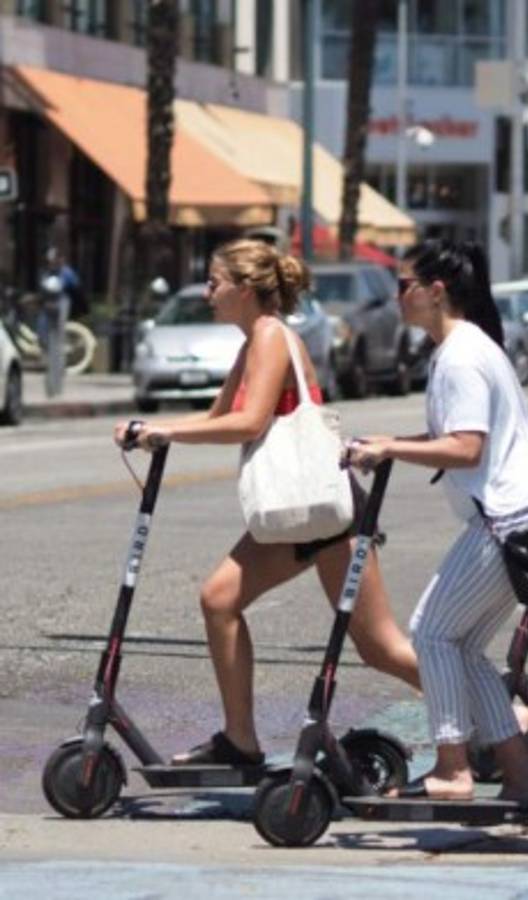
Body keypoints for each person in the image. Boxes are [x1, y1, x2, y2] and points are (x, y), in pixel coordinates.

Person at [114, 239, 420, 767]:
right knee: (219, 599)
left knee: (381, 647)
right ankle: (239, 741)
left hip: (322, 511)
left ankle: (500, 715)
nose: (208, 293)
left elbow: (251, 421)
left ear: (246, 288)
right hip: (296, 513)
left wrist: (164, 431)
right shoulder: (253, 340)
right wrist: (151, 432)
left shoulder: (272, 337)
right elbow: (215, 421)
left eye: (215, 283)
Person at [344, 240, 528, 805]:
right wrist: (385, 445)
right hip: (522, 521)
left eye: (405, 285)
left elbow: (464, 448)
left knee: (431, 633)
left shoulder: (461, 354)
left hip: (508, 523)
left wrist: (391, 449)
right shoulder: (460, 348)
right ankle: (521, 779)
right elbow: (452, 442)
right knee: (459, 647)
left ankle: (453, 768)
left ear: (437, 293)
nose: (398, 296)